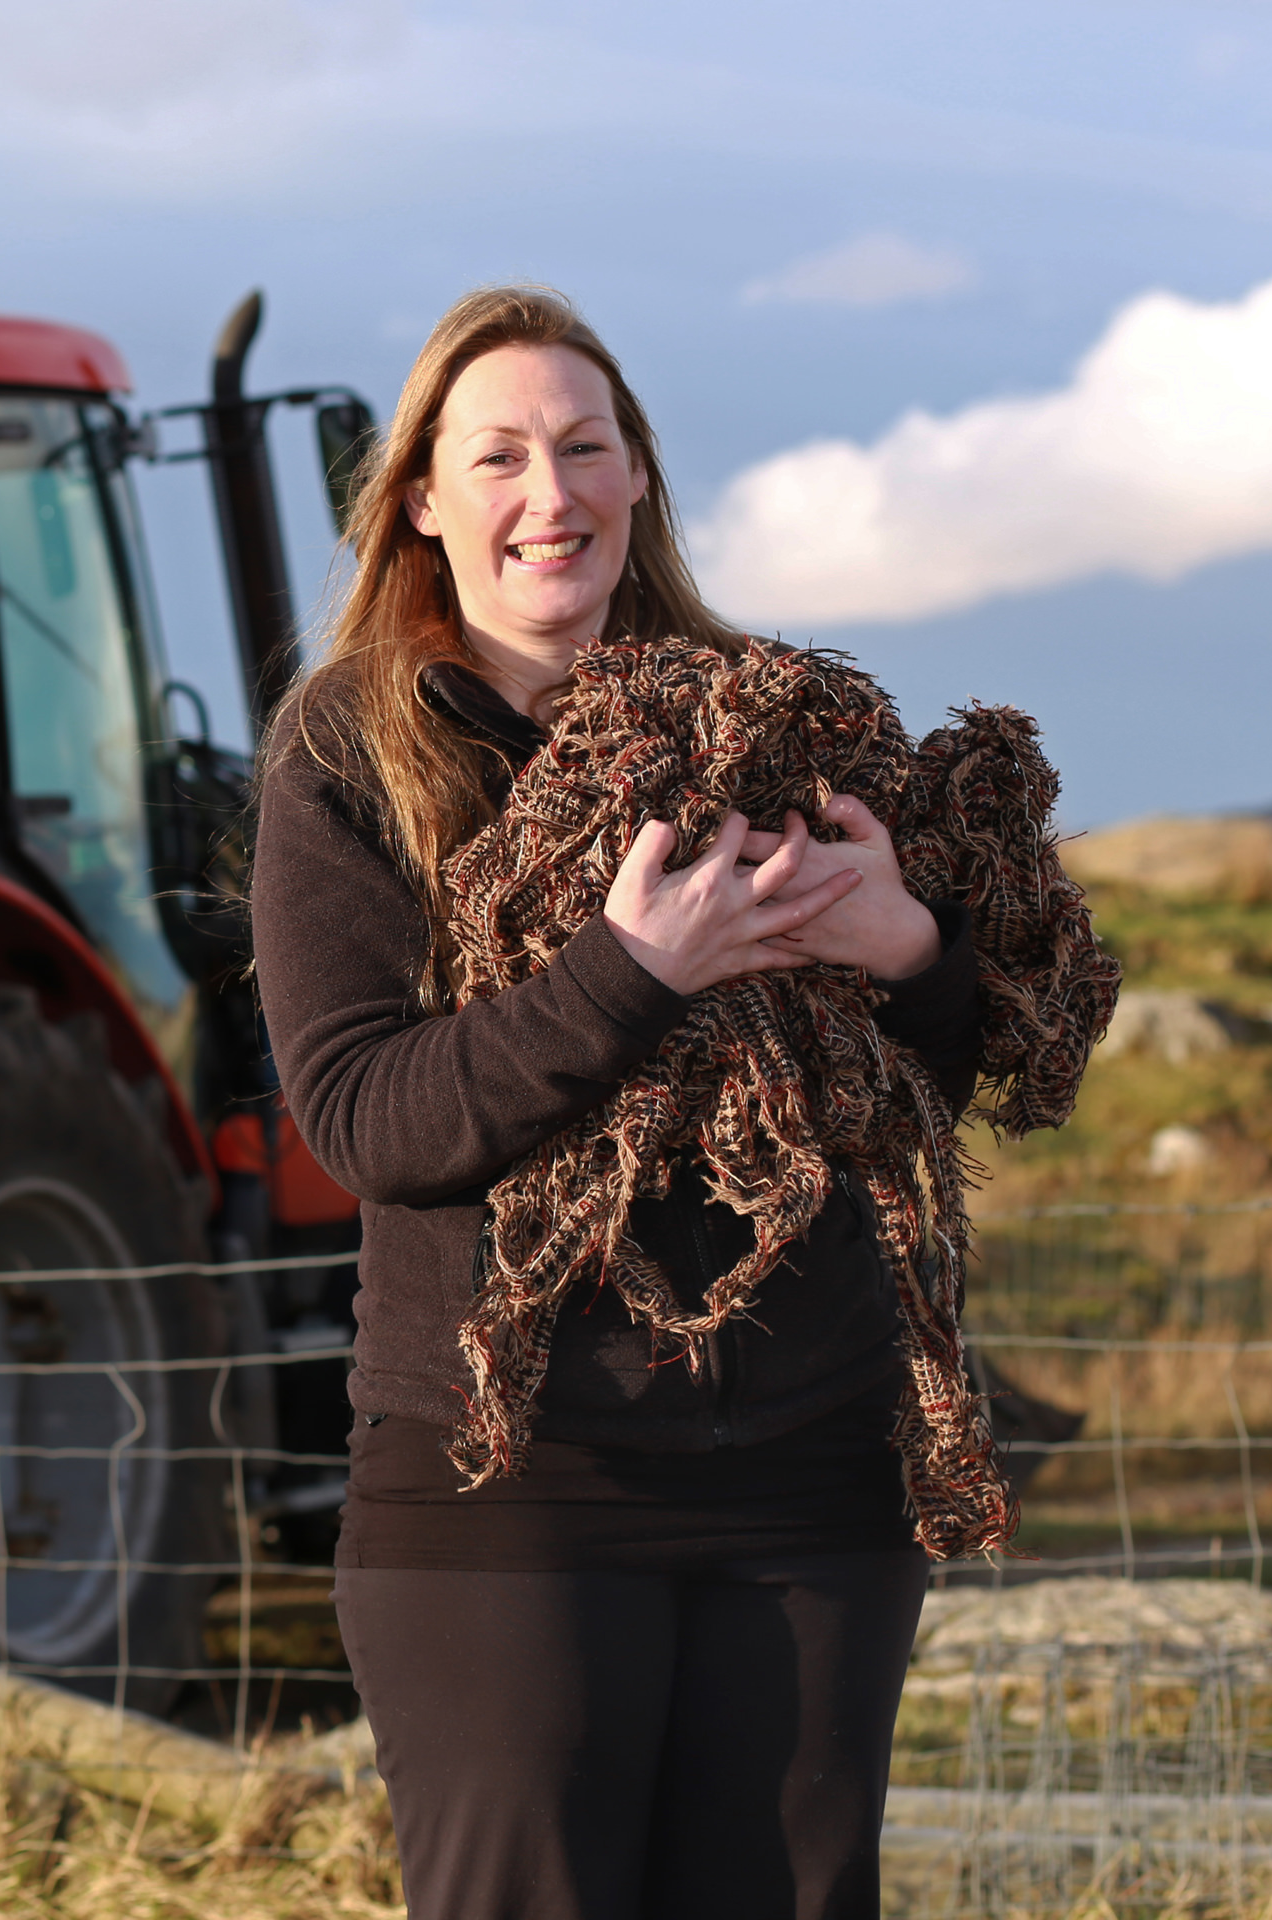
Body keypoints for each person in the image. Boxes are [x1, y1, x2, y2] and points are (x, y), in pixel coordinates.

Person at [249, 286, 984, 1920]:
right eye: (497, 453)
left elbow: (957, 1070)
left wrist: (910, 946)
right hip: (506, 1481)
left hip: (810, 1467)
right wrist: (627, 971)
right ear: (423, 502)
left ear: (640, 474)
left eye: (585, 446)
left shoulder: (765, 721)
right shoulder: (349, 753)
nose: (549, 492)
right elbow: (371, 1119)